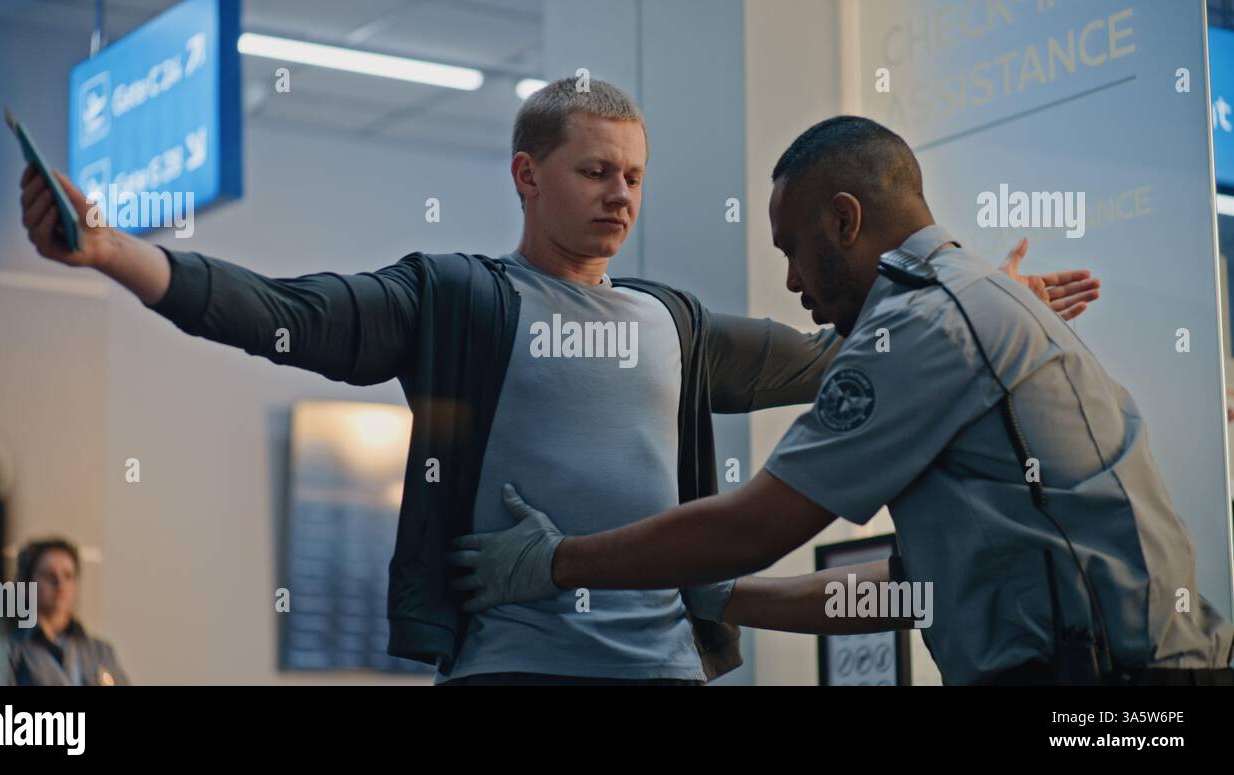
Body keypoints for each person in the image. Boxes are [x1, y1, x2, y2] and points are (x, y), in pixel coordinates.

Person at [18, 79, 1096, 685]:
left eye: (633, 175)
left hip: (668, 673)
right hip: (514, 673)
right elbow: (285, 317)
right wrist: (113, 252)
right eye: (593, 172)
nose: (619, 195)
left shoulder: (676, 324)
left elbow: (852, 358)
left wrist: (971, 303)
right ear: (529, 177)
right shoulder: (455, 301)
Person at [447, 115, 1234, 686]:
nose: (792, 283)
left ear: (845, 219)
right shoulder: (964, 304)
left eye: (792, 249)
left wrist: (556, 562)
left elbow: (755, 524)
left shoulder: (920, 327)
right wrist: (714, 593)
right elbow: (905, 587)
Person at [9, 538, 129, 686]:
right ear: (27, 587)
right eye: (49, 575)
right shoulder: (12, 651)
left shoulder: (100, 652)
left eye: (68, 576)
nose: (60, 584)